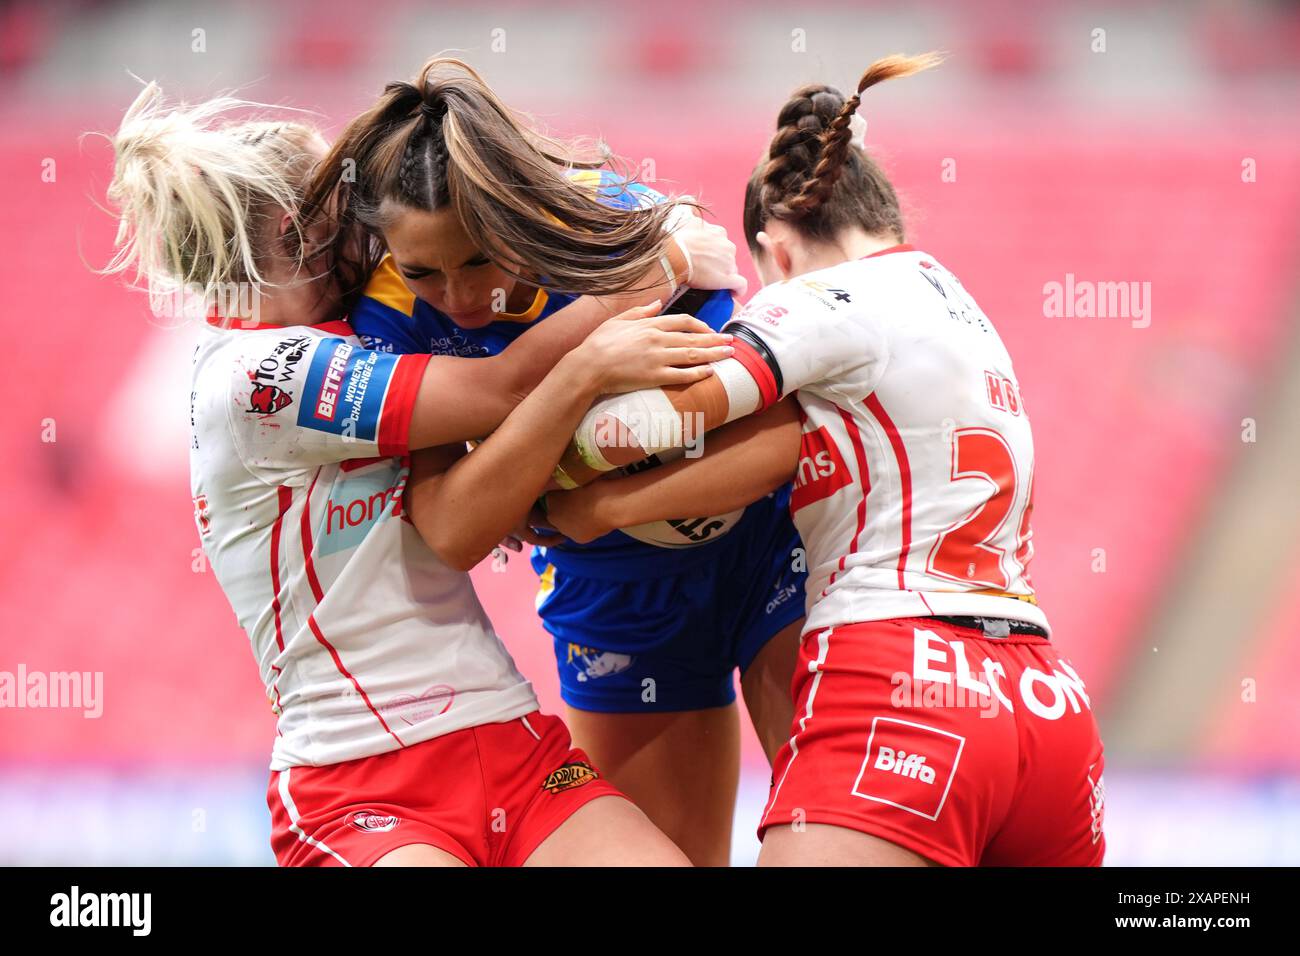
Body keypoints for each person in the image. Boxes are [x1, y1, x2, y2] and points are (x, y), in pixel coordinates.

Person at [100, 81, 739, 866]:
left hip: (505, 737)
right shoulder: (259, 374)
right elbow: (500, 389)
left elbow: (474, 470)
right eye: (343, 226)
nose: (363, 248)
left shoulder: (362, 338)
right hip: (357, 775)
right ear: (297, 234)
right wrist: (655, 269)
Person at [544, 53, 1107, 867]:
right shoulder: (963, 309)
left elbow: (659, 419)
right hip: (1044, 703)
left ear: (775, 248)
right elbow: (793, 447)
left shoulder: (816, 301)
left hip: (902, 678)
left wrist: (539, 462)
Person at [310, 57, 807, 865]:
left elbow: (778, 434)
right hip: (612, 592)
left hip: (764, 545)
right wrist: (587, 372)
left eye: (478, 258)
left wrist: (584, 498)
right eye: (422, 271)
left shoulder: (610, 222)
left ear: (519, 210)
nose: (459, 297)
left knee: (833, 832)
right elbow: (450, 527)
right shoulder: (385, 314)